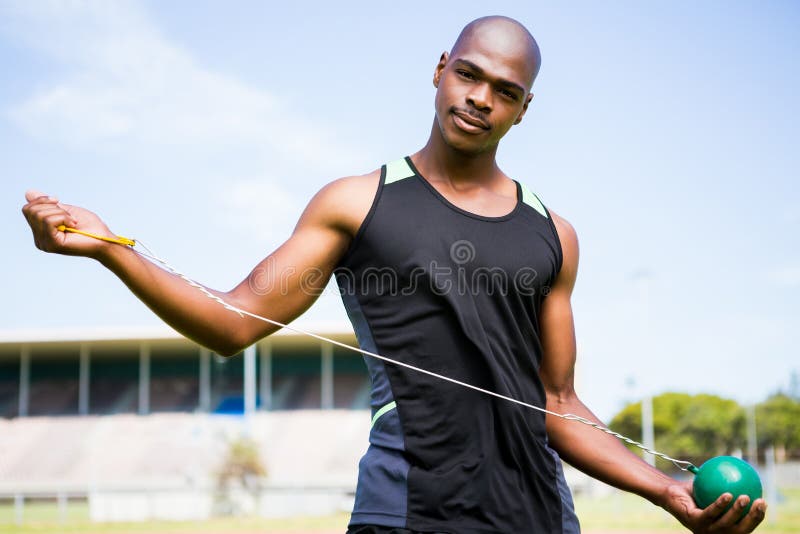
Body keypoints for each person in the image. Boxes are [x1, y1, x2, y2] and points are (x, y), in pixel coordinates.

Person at [22, 15, 766, 534]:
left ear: (523, 109)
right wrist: (111, 248)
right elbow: (233, 322)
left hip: (539, 517)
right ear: (440, 71)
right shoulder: (356, 203)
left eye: (503, 90)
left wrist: (669, 491)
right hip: (407, 513)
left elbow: (559, 403)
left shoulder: (554, 234)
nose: (479, 97)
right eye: (468, 74)